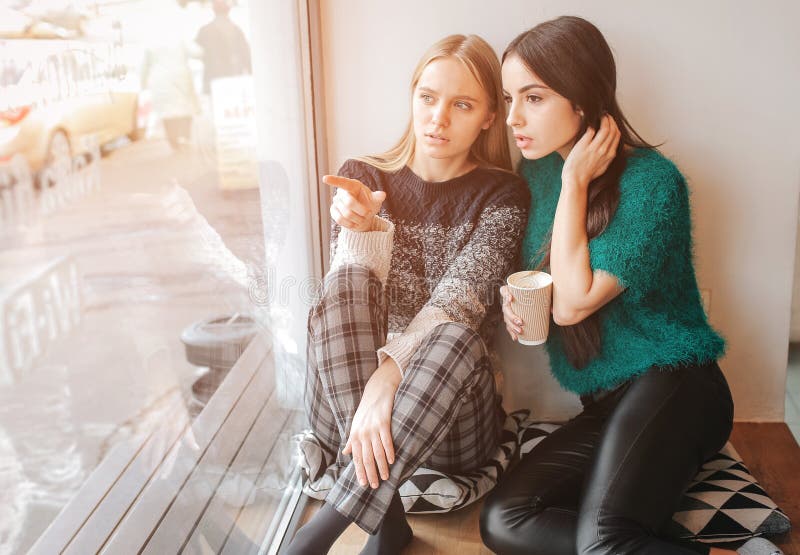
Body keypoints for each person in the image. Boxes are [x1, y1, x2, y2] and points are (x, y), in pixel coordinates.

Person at [479, 16, 782, 555]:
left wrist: (575, 181)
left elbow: (573, 305)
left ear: (581, 98)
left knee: (604, 542)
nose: (513, 117)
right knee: (504, 521)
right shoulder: (534, 175)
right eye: (509, 98)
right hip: (605, 402)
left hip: (678, 386)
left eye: (534, 97)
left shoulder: (652, 182)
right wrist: (517, 308)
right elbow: (553, 294)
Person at [286, 34, 530, 555]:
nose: (438, 118)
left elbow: (459, 302)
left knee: (457, 337)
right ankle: (388, 522)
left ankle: (313, 538)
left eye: (461, 105)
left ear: (489, 116)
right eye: (428, 97)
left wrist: (387, 378)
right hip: (348, 413)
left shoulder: (503, 194)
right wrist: (365, 230)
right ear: (413, 95)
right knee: (344, 283)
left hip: (447, 419)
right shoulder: (362, 177)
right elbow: (345, 308)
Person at [195, 0, 252, 95]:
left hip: (213, 81)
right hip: (233, 80)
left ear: (213, 10)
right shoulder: (236, 30)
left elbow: (196, 52)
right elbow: (247, 56)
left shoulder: (205, 31)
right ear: (228, 10)